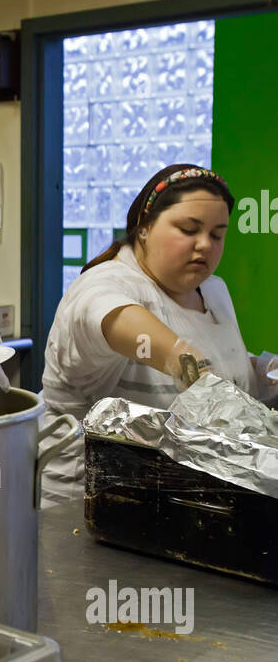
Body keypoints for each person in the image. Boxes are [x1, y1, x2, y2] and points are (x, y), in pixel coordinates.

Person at [41, 164, 278, 504]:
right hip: (86, 505)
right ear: (145, 225)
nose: (204, 245)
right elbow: (110, 317)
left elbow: (223, 368)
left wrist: (267, 375)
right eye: (188, 229)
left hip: (175, 498)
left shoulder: (212, 291)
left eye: (216, 234)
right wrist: (184, 363)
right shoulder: (106, 282)